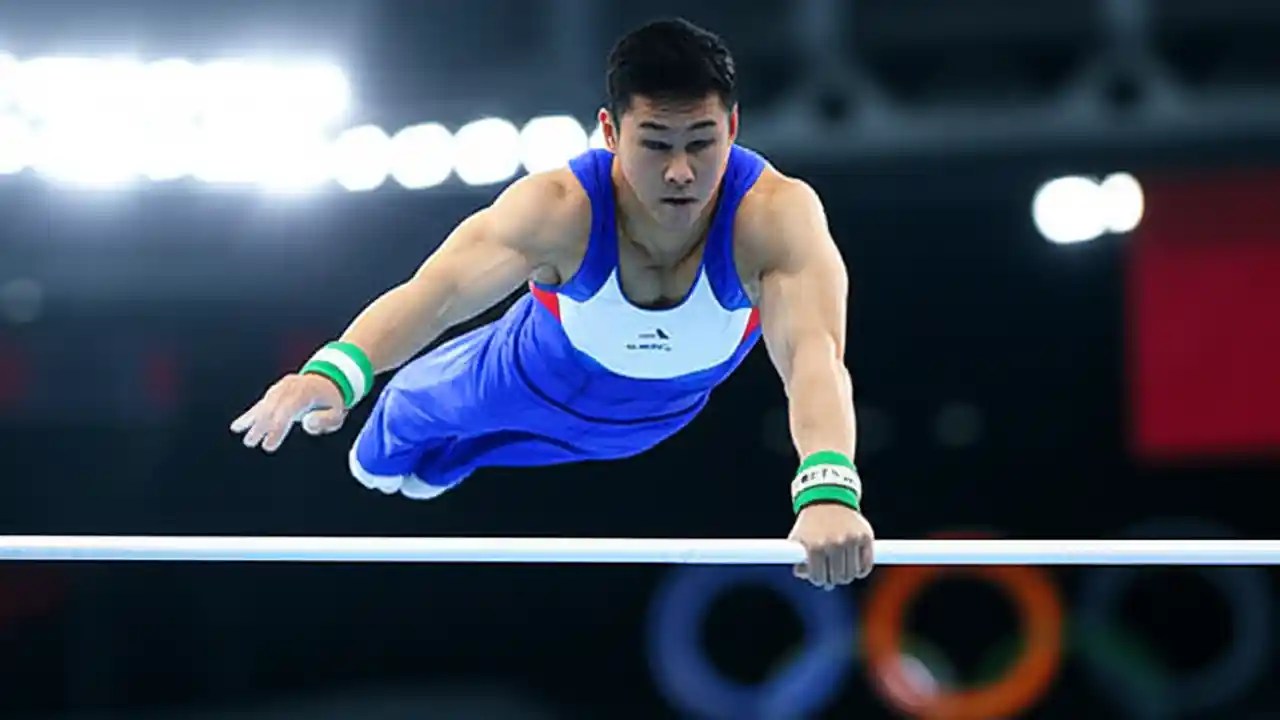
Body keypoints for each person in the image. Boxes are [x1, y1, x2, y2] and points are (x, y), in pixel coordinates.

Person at [230, 18, 874, 589]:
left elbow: (814, 360)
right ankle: (413, 438)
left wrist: (827, 487)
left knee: (460, 458)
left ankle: (453, 460)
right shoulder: (561, 208)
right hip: (525, 373)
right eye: (656, 143)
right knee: (389, 450)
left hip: (653, 418)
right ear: (610, 133)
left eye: (701, 142)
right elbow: (439, 294)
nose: (681, 171)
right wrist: (337, 370)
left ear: (732, 127)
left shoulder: (774, 217)